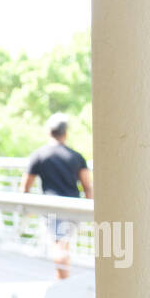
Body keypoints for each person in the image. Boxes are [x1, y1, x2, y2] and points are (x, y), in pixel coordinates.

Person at [21, 112, 93, 279]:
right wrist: (91, 209)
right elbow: (87, 186)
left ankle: (63, 281)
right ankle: (62, 279)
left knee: (59, 245)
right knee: (63, 244)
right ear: (65, 134)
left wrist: (26, 208)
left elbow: (25, 187)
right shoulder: (76, 156)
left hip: (51, 207)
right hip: (74, 207)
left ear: (49, 132)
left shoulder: (39, 155)